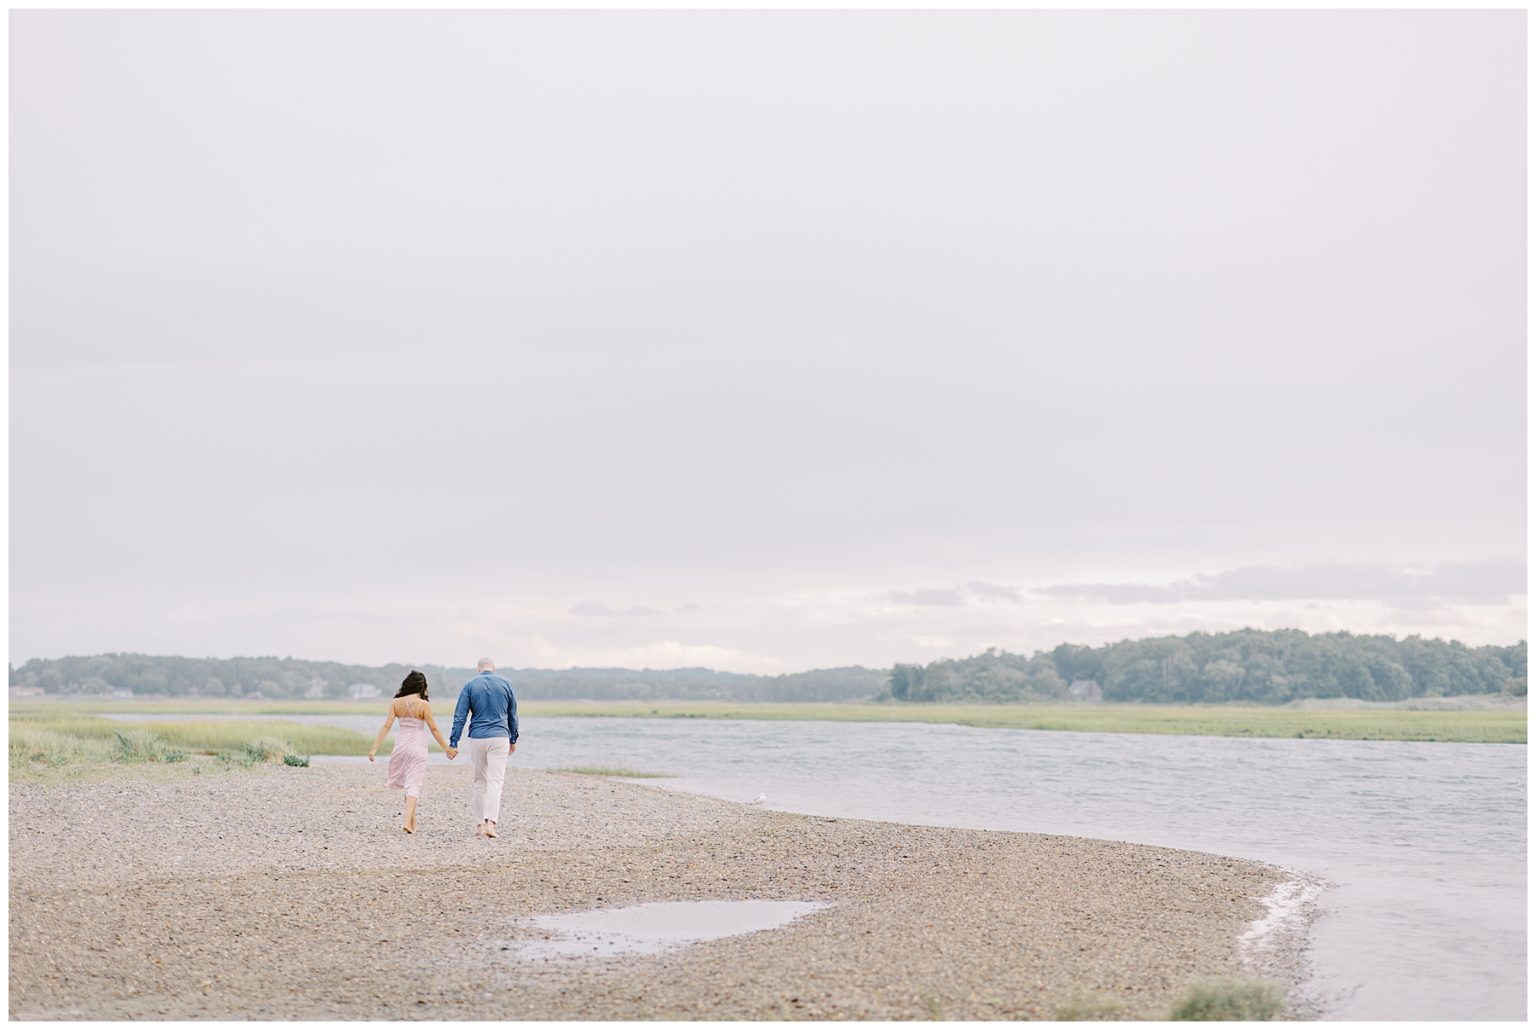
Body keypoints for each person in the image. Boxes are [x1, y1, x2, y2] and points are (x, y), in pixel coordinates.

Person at [368, 670, 457, 834]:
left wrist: (374, 748)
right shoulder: (423, 705)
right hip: (417, 746)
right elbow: (434, 729)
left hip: (401, 746)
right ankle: (407, 822)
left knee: (409, 784)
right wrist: (447, 748)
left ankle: (412, 823)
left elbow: (387, 726)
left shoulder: (396, 702)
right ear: (422, 687)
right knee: (414, 783)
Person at [449, 657, 519, 838]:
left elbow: (460, 716)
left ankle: (480, 825)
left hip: (477, 737)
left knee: (480, 781)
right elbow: (512, 714)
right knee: (495, 781)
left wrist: (454, 741)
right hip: (499, 737)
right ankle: (491, 824)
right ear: (493, 667)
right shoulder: (506, 684)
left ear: (478, 669)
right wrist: (513, 738)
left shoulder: (470, 685)